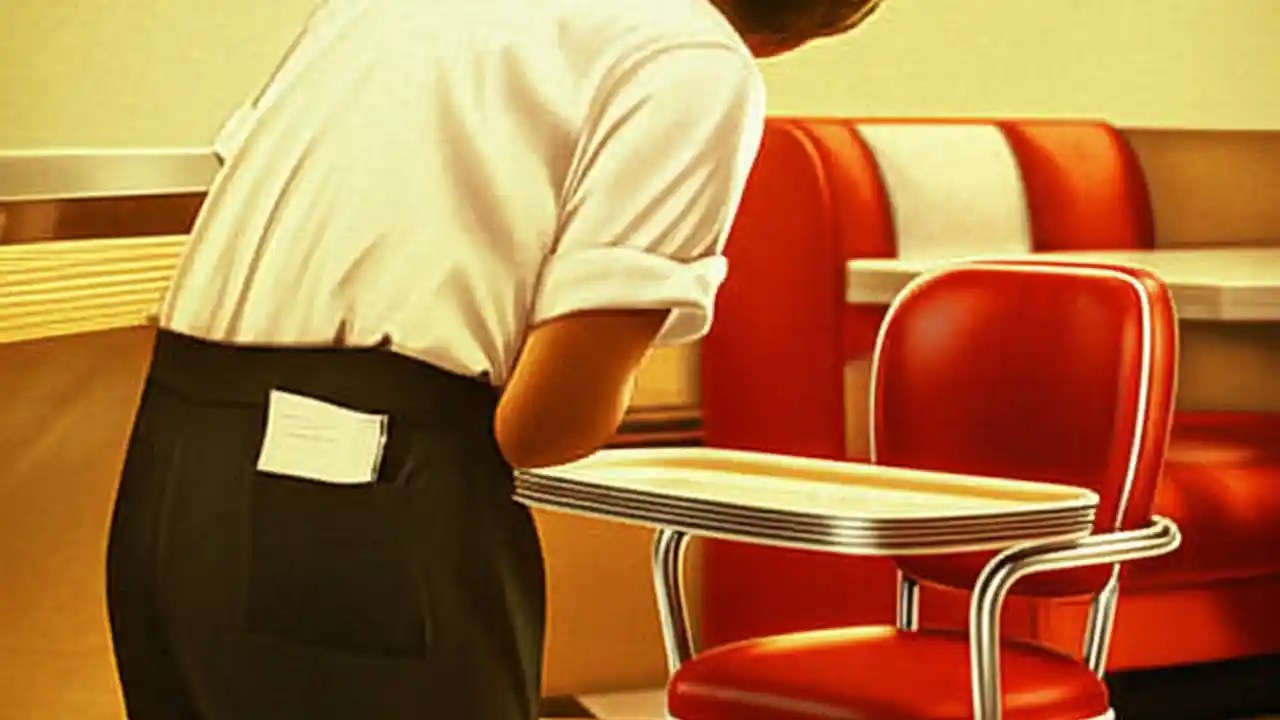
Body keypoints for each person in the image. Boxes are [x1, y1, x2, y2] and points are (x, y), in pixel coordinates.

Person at [104, 0, 884, 717]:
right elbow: (543, 425)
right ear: (810, 28)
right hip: (365, 501)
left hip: (170, 476)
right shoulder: (694, 58)